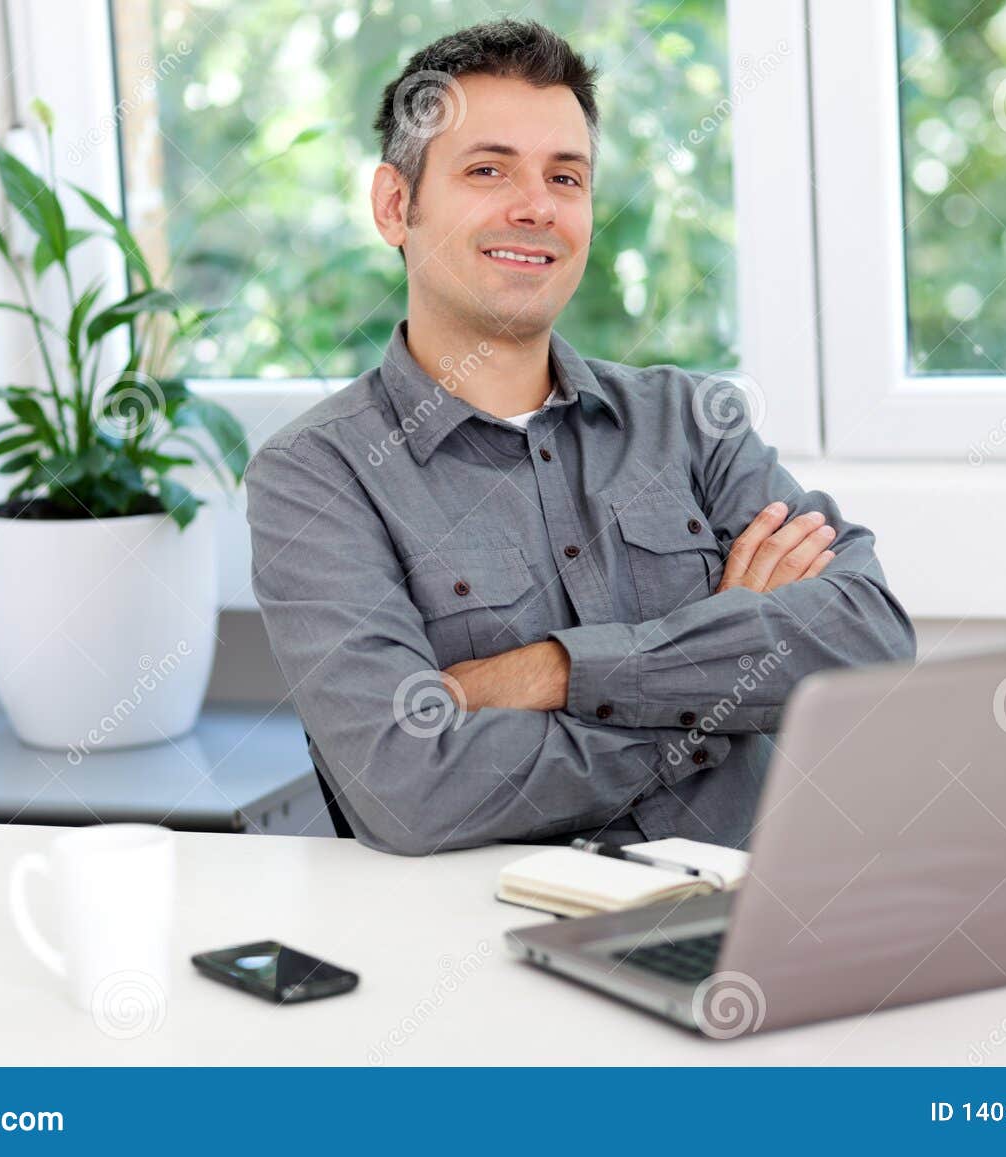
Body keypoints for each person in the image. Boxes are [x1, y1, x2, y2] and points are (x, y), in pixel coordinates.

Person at [245, 19, 915, 855]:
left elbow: (868, 637)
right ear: (394, 205)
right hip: (492, 927)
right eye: (488, 170)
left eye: (566, 177)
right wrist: (720, 695)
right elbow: (412, 787)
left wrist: (555, 671)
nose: (536, 207)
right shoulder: (317, 475)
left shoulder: (692, 422)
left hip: (751, 910)